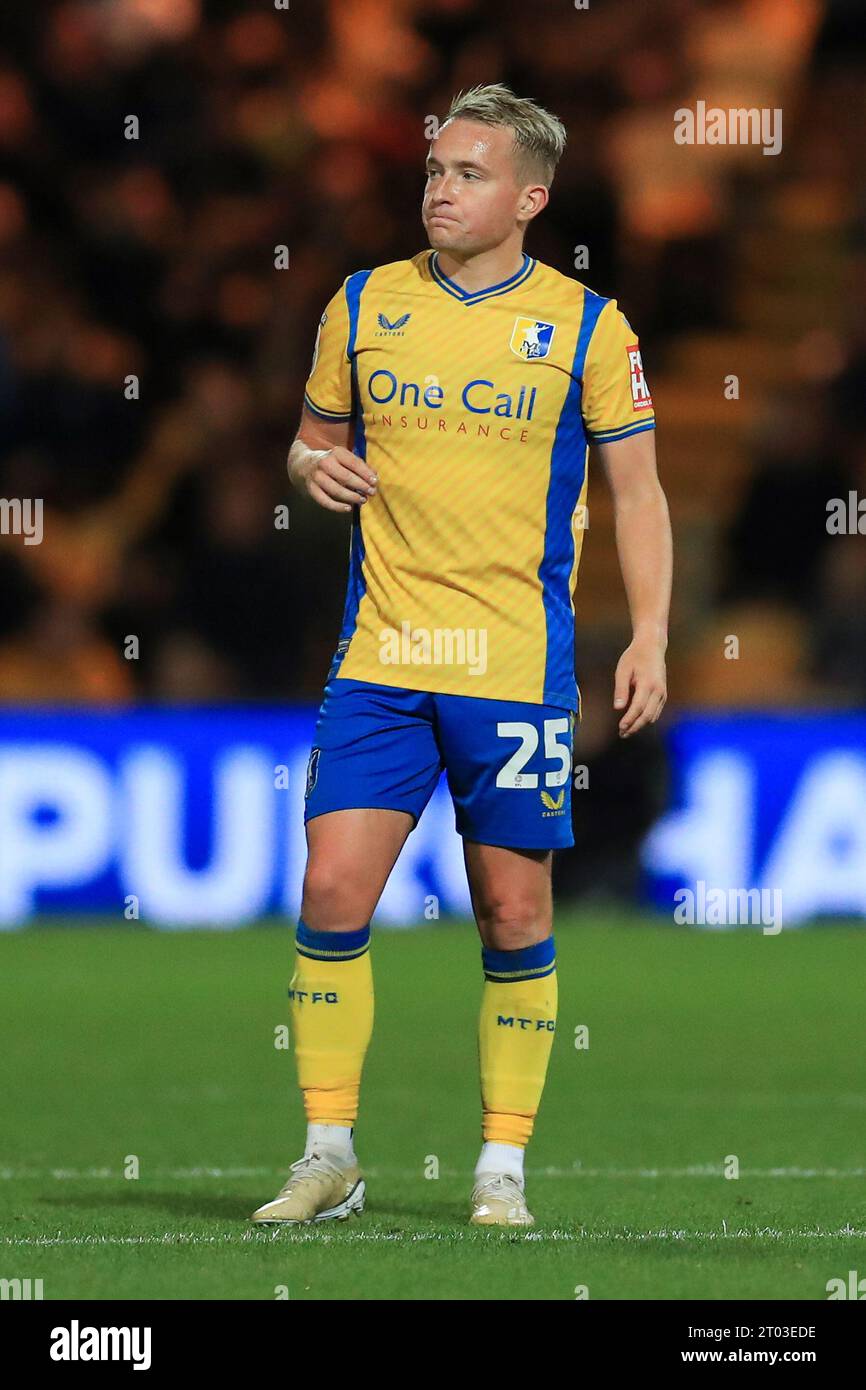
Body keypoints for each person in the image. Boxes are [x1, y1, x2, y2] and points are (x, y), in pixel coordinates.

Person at [252, 83, 672, 1229]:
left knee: (510, 912)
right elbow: (310, 442)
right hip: (379, 654)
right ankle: (327, 1152)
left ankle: (499, 1169)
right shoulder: (360, 302)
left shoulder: (589, 327)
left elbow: (636, 492)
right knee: (331, 887)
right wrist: (309, 471)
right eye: (435, 169)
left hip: (510, 666)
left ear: (530, 197)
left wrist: (646, 633)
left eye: (468, 173)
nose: (440, 188)